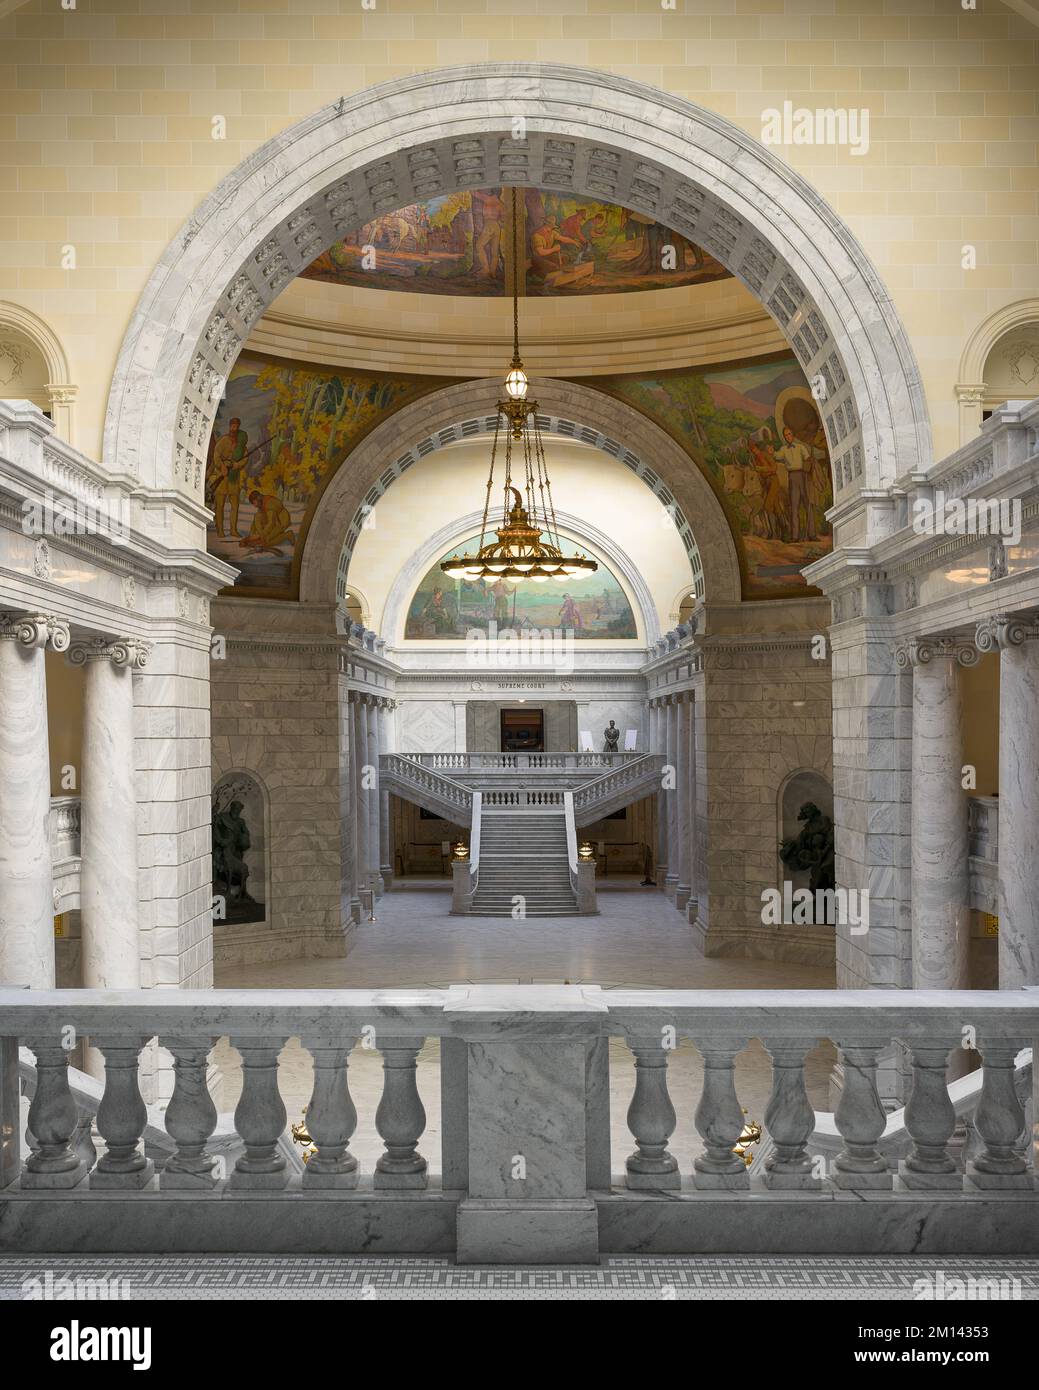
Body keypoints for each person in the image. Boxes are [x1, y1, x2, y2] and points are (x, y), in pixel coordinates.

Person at [211, 417, 248, 538]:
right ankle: (220, 530)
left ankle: (233, 530)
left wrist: (237, 465)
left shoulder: (241, 443)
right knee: (220, 505)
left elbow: (245, 457)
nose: (234, 428)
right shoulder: (223, 440)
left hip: (234, 477)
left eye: (237, 426)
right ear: (230, 426)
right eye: (233, 425)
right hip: (222, 477)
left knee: (235, 505)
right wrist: (222, 466)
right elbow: (216, 455)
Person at [776, 425, 815, 541]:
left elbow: (808, 458)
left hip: (803, 476)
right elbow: (776, 456)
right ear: (784, 437)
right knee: (794, 507)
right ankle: (795, 536)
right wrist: (771, 451)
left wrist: (810, 462)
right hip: (792, 477)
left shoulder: (800, 447)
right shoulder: (783, 449)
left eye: (789, 434)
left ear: (792, 435)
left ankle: (812, 534)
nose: (788, 437)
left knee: (808, 504)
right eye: (786, 435)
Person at [213, 799, 254, 904]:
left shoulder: (241, 822)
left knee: (240, 866)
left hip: (235, 849)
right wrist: (214, 812)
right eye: (235, 808)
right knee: (218, 859)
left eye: (239, 810)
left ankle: (242, 891)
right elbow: (215, 826)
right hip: (223, 847)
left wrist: (243, 840)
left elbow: (246, 834)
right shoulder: (223, 817)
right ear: (231, 808)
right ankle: (219, 887)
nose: (237, 811)